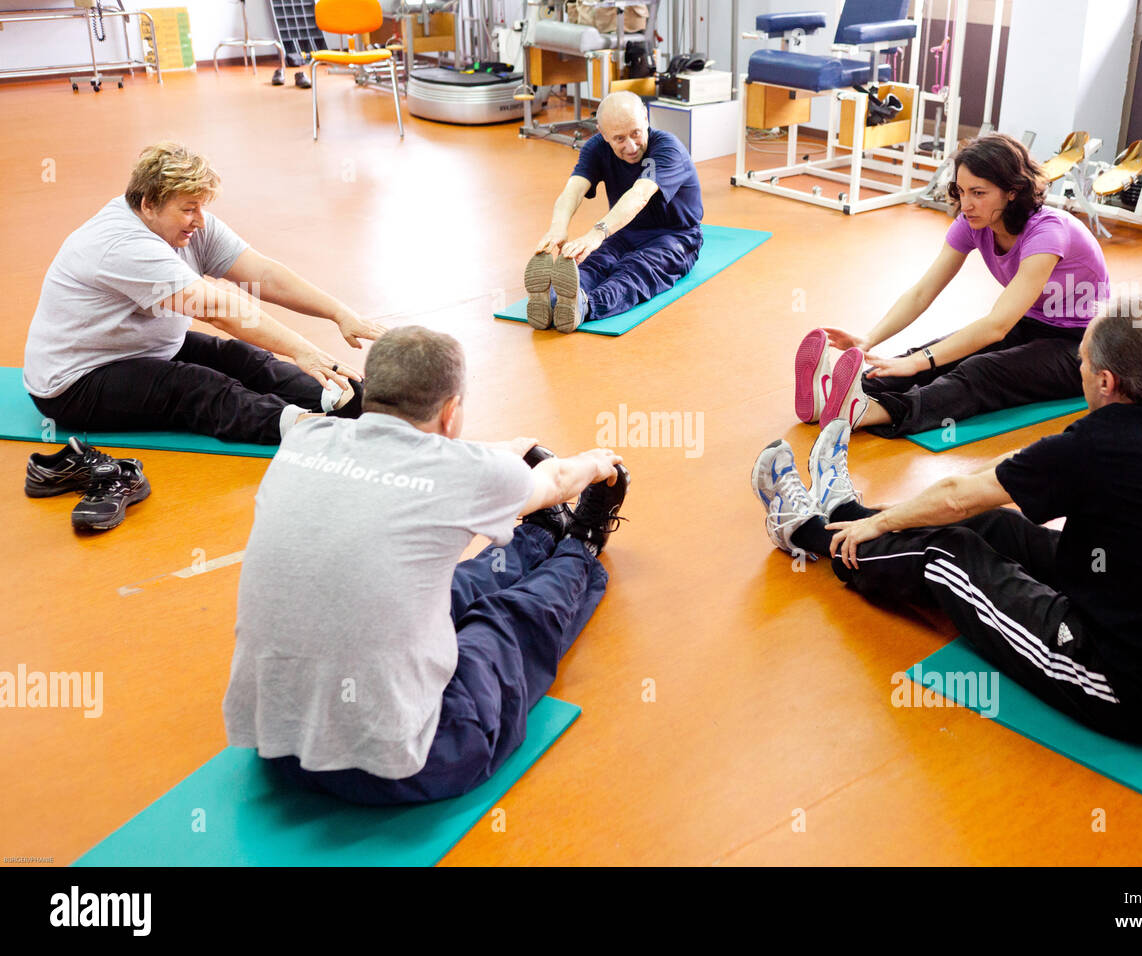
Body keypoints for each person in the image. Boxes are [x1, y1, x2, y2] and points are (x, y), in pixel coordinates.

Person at [759, 295, 1142, 744]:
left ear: (1107, 383)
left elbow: (961, 495)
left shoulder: (1099, 444)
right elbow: (984, 504)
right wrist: (877, 519)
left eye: (1083, 362)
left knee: (947, 556)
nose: (1080, 369)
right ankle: (847, 515)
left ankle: (807, 533)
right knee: (999, 529)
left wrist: (882, 526)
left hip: (1135, 692)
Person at [223, 326, 630, 804]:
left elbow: (418, 459)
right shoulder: (464, 472)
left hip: (277, 742)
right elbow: (558, 480)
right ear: (452, 413)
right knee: (501, 625)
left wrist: (505, 453)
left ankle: (538, 536)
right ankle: (578, 547)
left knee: (445, 587)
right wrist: (599, 463)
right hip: (402, 765)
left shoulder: (307, 437)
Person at [23, 142, 385, 446]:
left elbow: (262, 274)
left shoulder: (189, 225)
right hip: (77, 383)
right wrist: (302, 349)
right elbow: (214, 309)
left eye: (201, 207)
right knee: (197, 387)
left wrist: (338, 313)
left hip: (141, 349)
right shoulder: (122, 244)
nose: (200, 220)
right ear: (148, 203)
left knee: (245, 359)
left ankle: (360, 400)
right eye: (188, 209)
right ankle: (311, 430)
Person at [794, 133, 1110, 436]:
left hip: (1084, 345)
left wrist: (916, 362)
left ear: (1012, 191)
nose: (966, 203)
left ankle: (872, 412)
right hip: (1031, 324)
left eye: (979, 192)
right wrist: (869, 340)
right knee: (931, 354)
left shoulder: (1047, 233)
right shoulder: (974, 223)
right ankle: (837, 397)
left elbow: (997, 326)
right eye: (961, 191)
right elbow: (922, 292)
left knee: (980, 371)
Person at [524, 90, 703, 332]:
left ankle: (584, 306)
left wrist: (596, 234)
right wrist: (557, 228)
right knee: (592, 265)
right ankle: (554, 300)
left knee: (634, 271)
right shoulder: (596, 148)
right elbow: (574, 190)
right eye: (619, 139)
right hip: (624, 231)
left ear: (646, 120)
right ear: (603, 133)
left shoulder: (668, 149)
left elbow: (639, 195)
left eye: (636, 133)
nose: (631, 146)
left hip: (675, 237)